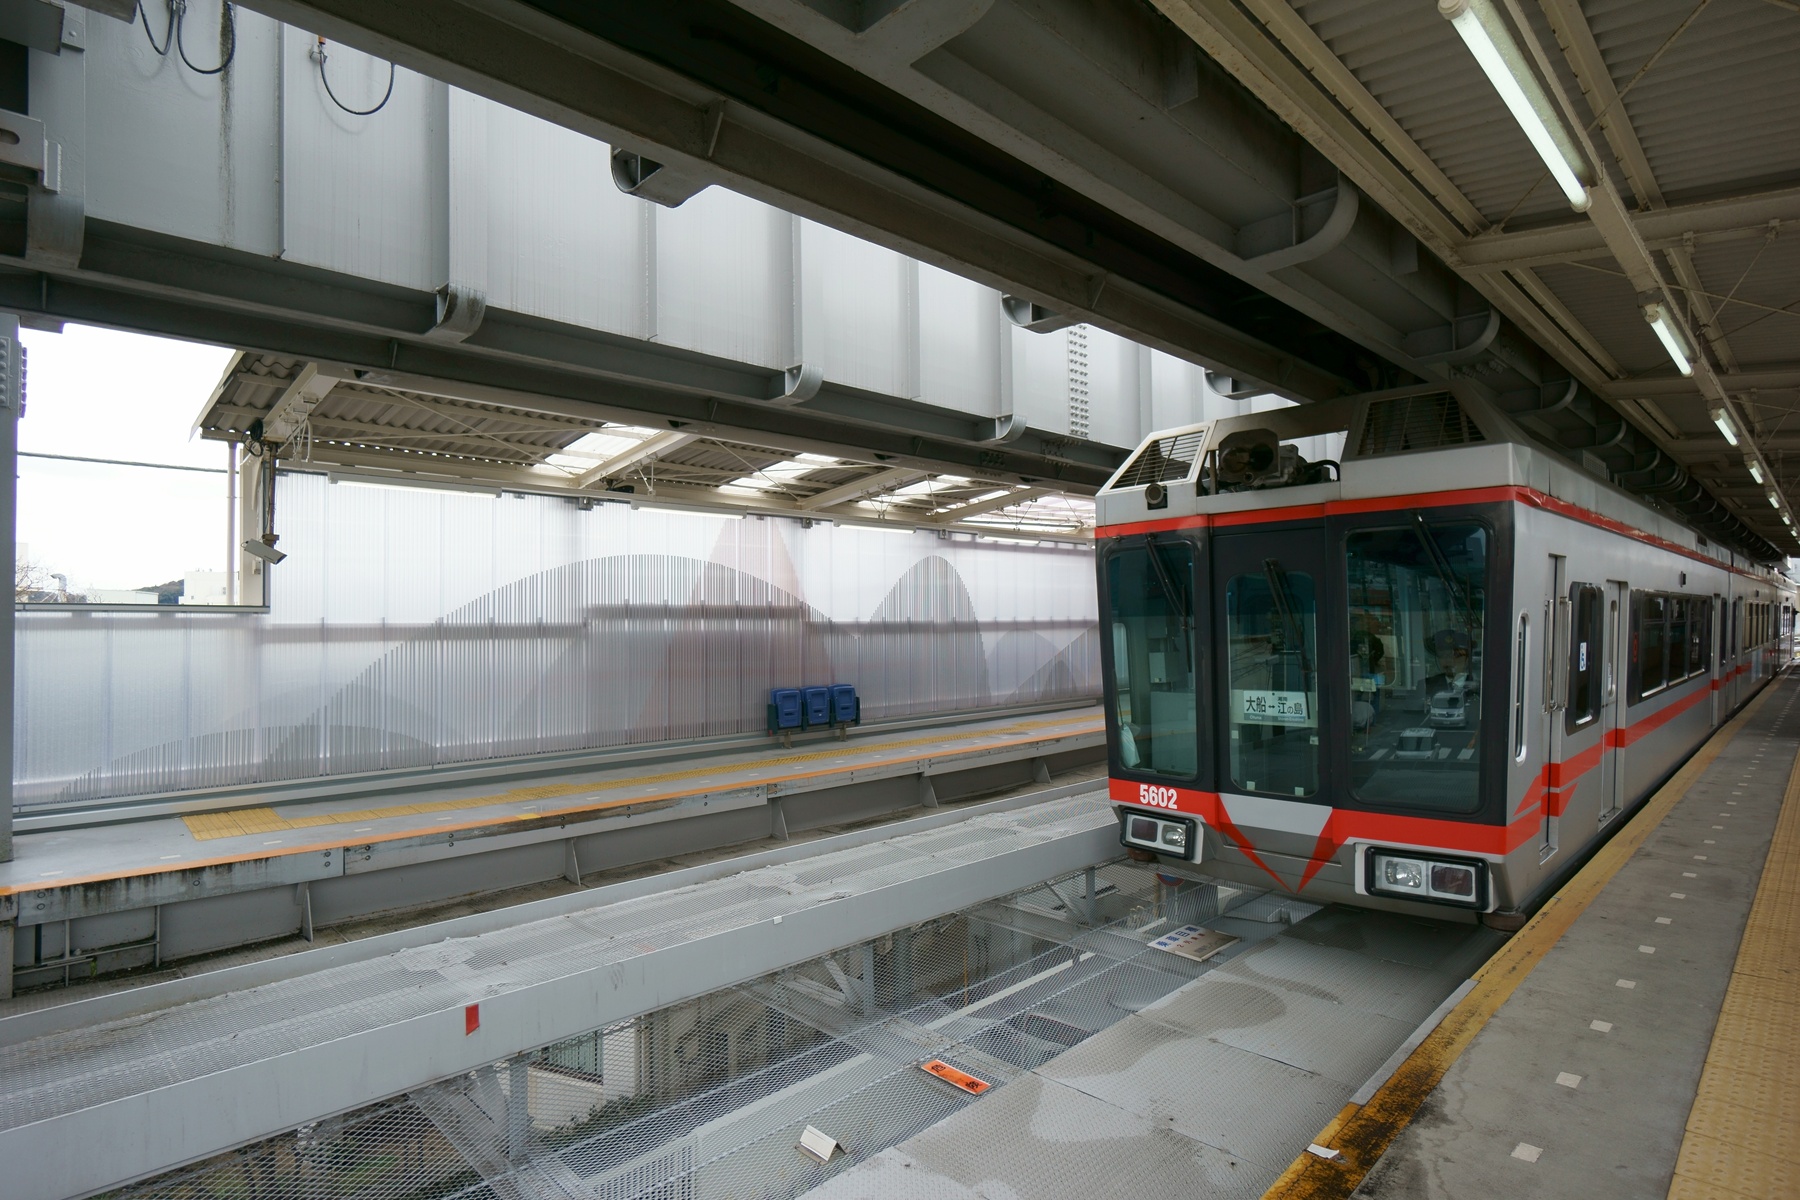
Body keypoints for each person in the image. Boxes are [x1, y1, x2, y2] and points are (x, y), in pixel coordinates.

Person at [1422, 628, 1478, 728]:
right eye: (1443, 655)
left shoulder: (1479, 688)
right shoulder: (1426, 685)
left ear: (1467, 659)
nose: (1449, 661)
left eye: (1456, 656)